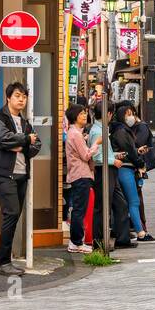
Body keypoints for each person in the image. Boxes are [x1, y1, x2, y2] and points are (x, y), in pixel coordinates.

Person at [0, 82, 42, 276]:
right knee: (12, 213)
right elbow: (0, 139)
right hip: (2, 173)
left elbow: (37, 143)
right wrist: (24, 140)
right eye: (17, 96)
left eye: (24, 96)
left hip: (22, 174)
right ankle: (3, 262)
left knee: (14, 215)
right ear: (8, 97)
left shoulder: (25, 123)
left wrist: (20, 144)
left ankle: (6, 260)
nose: (21, 99)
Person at [89, 102, 135, 250]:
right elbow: (96, 157)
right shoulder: (98, 131)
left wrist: (114, 155)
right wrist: (113, 160)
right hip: (104, 171)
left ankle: (122, 239)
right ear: (108, 114)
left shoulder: (101, 129)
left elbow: (102, 153)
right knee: (102, 207)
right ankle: (99, 243)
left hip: (109, 170)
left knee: (120, 204)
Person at [111, 102, 155, 244]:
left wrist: (137, 151)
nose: (131, 117)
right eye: (128, 115)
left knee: (127, 202)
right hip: (126, 169)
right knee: (134, 201)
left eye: (132, 114)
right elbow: (129, 152)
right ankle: (141, 233)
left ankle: (133, 231)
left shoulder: (119, 130)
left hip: (124, 168)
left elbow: (128, 150)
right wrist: (140, 162)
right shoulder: (122, 131)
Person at [64, 102, 99, 254]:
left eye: (85, 113)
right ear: (74, 117)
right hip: (81, 175)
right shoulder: (76, 134)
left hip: (78, 175)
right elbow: (85, 155)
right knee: (79, 210)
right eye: (81, 114)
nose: (84, 115)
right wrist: (96, 144)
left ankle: (76, 241)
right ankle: (76, 242)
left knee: (79, 209)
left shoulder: (75, 133)